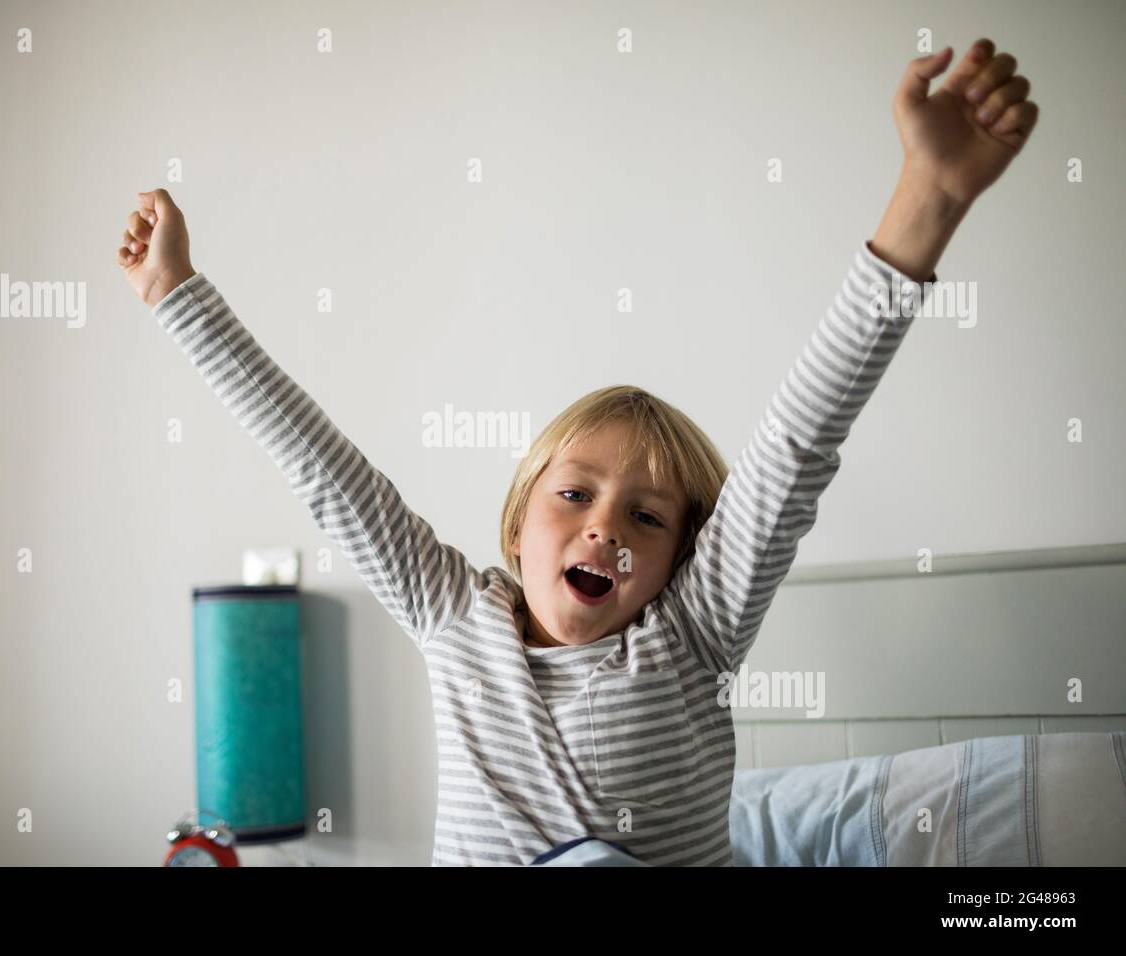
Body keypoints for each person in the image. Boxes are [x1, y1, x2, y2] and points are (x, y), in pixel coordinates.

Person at [115, 39, 1038, 865]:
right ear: (518, 529)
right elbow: (324, 471)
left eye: (646, 516)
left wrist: (931, 197)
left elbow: (800, 446)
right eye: (574, 496)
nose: (604, 528)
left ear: (682, 558)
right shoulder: (452, 616)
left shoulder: (691, 637)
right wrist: (177, 294)